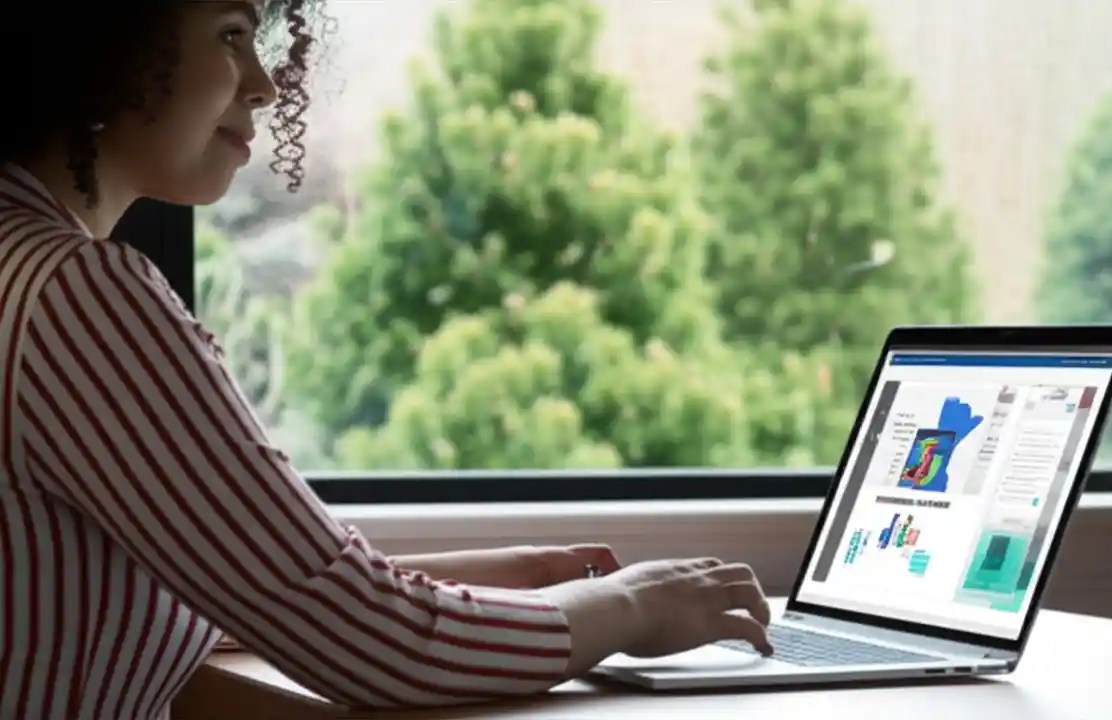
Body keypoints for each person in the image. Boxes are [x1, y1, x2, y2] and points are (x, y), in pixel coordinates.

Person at [0, 2, 773, 718]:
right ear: (105, 38)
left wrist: (515, 580)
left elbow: (238, 586)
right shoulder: (74, 295)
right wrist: (631, 606)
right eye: (232, 34)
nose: (265, 84)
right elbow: (376, 645)